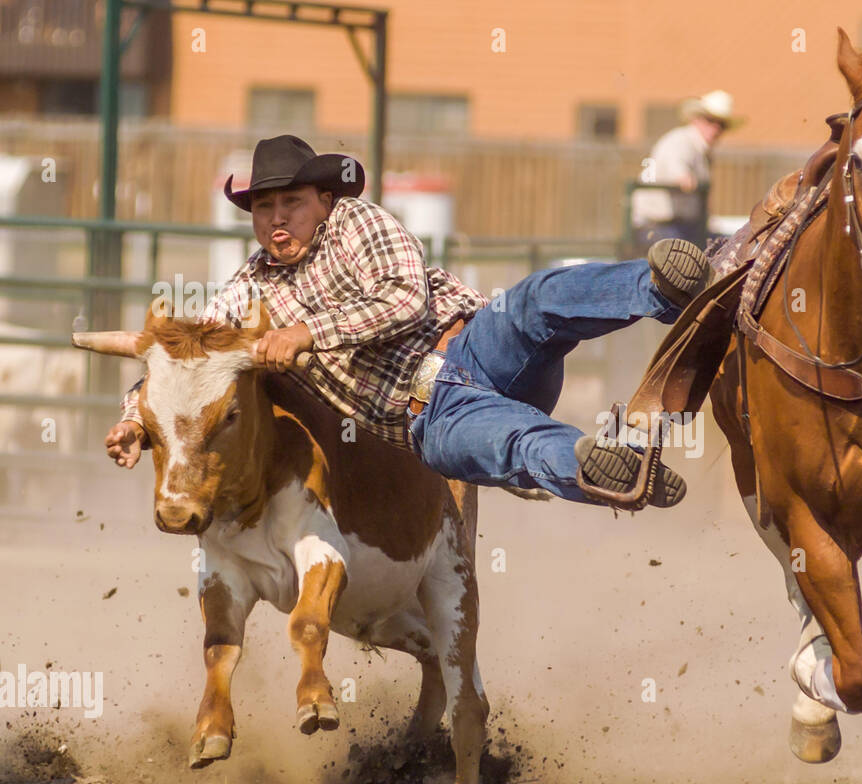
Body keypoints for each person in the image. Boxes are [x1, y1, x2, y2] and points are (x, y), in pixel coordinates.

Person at [105, 135, 714, 507]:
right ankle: (611, 476)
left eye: (290, 201)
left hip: (478, 348)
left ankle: (667, 288)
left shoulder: (358, 224)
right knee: (515, 444)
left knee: (536, 298)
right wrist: (135, 419)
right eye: (263, 208)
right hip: (428, 418)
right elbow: (188, 359)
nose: (276, 218)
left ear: (324, 199)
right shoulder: (244, 292)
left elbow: (404, 299)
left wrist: (306, 333)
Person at [629, 90, 741, 252]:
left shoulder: (702, 151)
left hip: (682, 227)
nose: (716, 128)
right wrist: (684, 178)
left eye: (721, 124)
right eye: (711, 120)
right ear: (696, 119)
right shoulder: (680, 141)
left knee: (729, 247)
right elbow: (680, 173)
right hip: (655, 227)